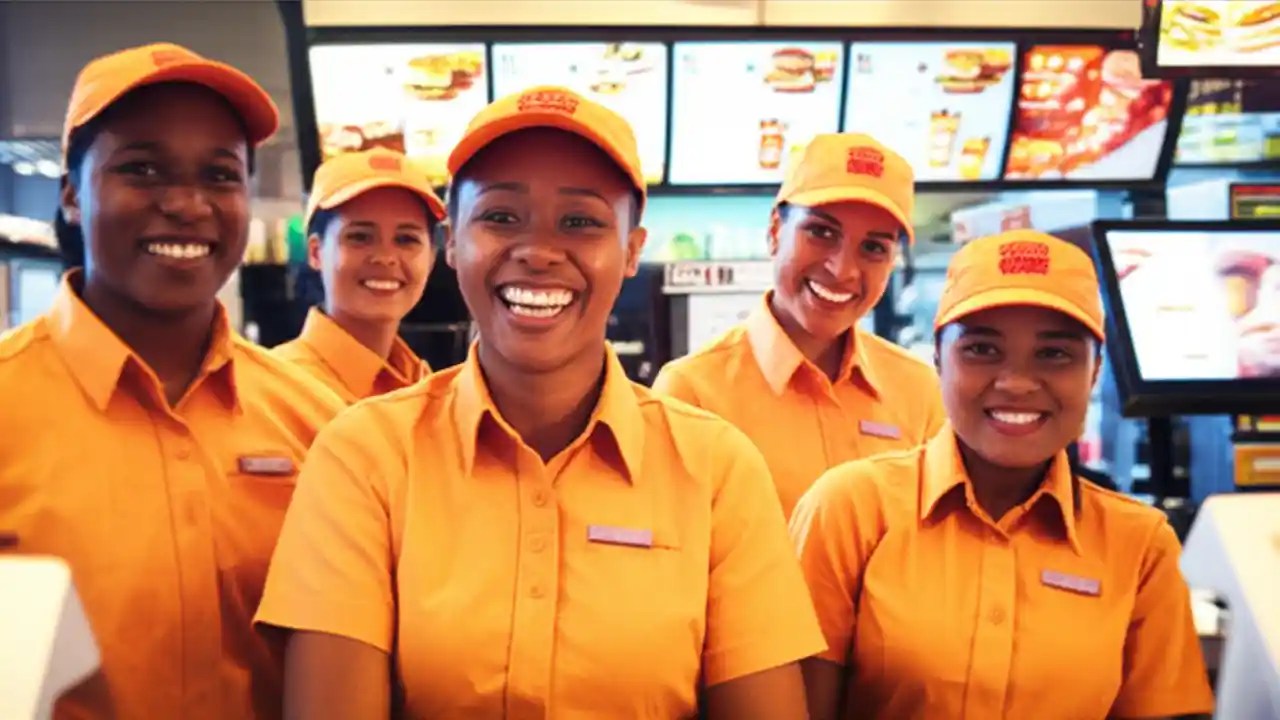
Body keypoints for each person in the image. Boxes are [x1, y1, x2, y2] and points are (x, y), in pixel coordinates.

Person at [255, 86, 824, 720]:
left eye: (581, 221)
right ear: (453, 241)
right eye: (500, 216)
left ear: (633, 250)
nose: (538, 251)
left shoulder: (716, 469)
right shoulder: (365, 456)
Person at [0, 43, 343, 719]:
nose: (187, 205)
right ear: (71, 194)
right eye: (143, 169)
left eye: (220, 176)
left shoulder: (319, 423)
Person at [789, 230, 1214, 720]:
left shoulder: (1139, 546)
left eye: (1054, 354)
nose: (1015, 383)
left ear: (1094, 372)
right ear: (938, 360)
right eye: (982, 350)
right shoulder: (851, 509)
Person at [652, 134, 944, 519]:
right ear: (775, 231)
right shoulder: (692, 392)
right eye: (822, 232)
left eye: (873, 247)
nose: (842, 270)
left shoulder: (918, 390)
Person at [272, 148, 443, 402]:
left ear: (431, 257)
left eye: (406, 239)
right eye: (360, 237)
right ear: (316, 252)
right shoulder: (276, 389)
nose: (386, 257)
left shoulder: (426, 386)